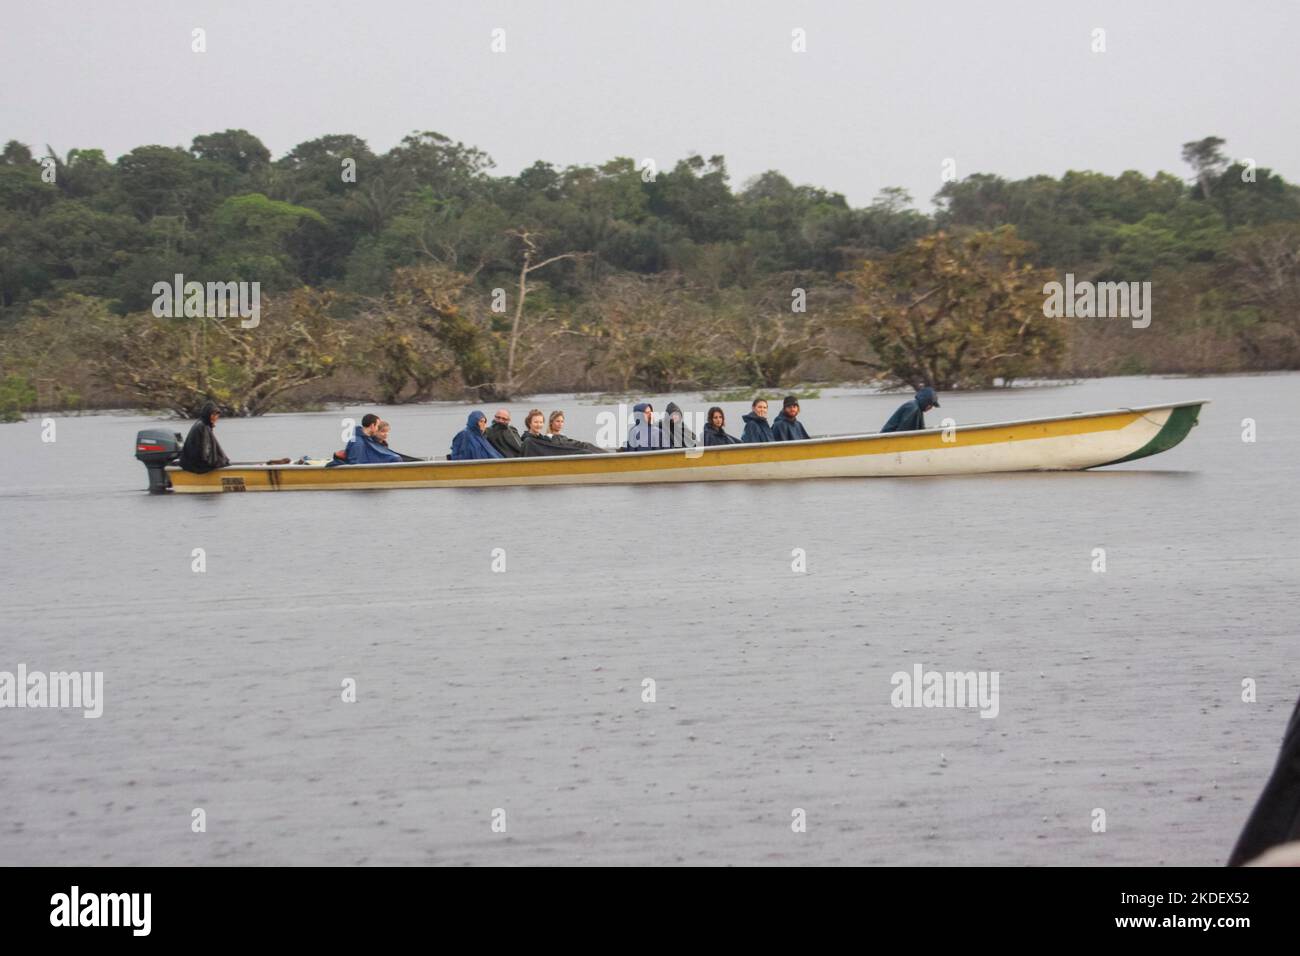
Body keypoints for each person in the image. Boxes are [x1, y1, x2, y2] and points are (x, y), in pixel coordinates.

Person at [179, 400, 231, 473]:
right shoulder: (203, 427)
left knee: (223, 460)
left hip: (189, 462)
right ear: (207, 414)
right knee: (222, 461)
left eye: (216, 415)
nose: (215, 417)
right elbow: (205, 454)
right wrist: (220, 461)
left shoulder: (200, 423)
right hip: (196, 464)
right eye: (213, 415)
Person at [523, 410, 602, 456]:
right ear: (529, 423)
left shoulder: (543, 438)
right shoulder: (529, 441)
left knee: (586, 446)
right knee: (584, 451)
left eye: (541, 422)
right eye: (536, 422)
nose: (539, 425)